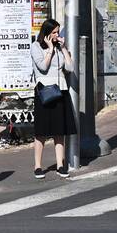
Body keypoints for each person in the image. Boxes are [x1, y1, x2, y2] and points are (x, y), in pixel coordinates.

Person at [31, 18, 75, 179]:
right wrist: (49, 49)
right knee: (41, 132)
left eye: (58, 32)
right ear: (47, 33)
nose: (57, 35)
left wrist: (63, 49)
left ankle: (60, 165)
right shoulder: (36, 47)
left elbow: (70, 68)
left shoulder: (59, 47)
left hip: (60, 91)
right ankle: (37, 166)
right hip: (45, 92)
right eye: (54, 32)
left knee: (59, 131)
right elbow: (43, 67)